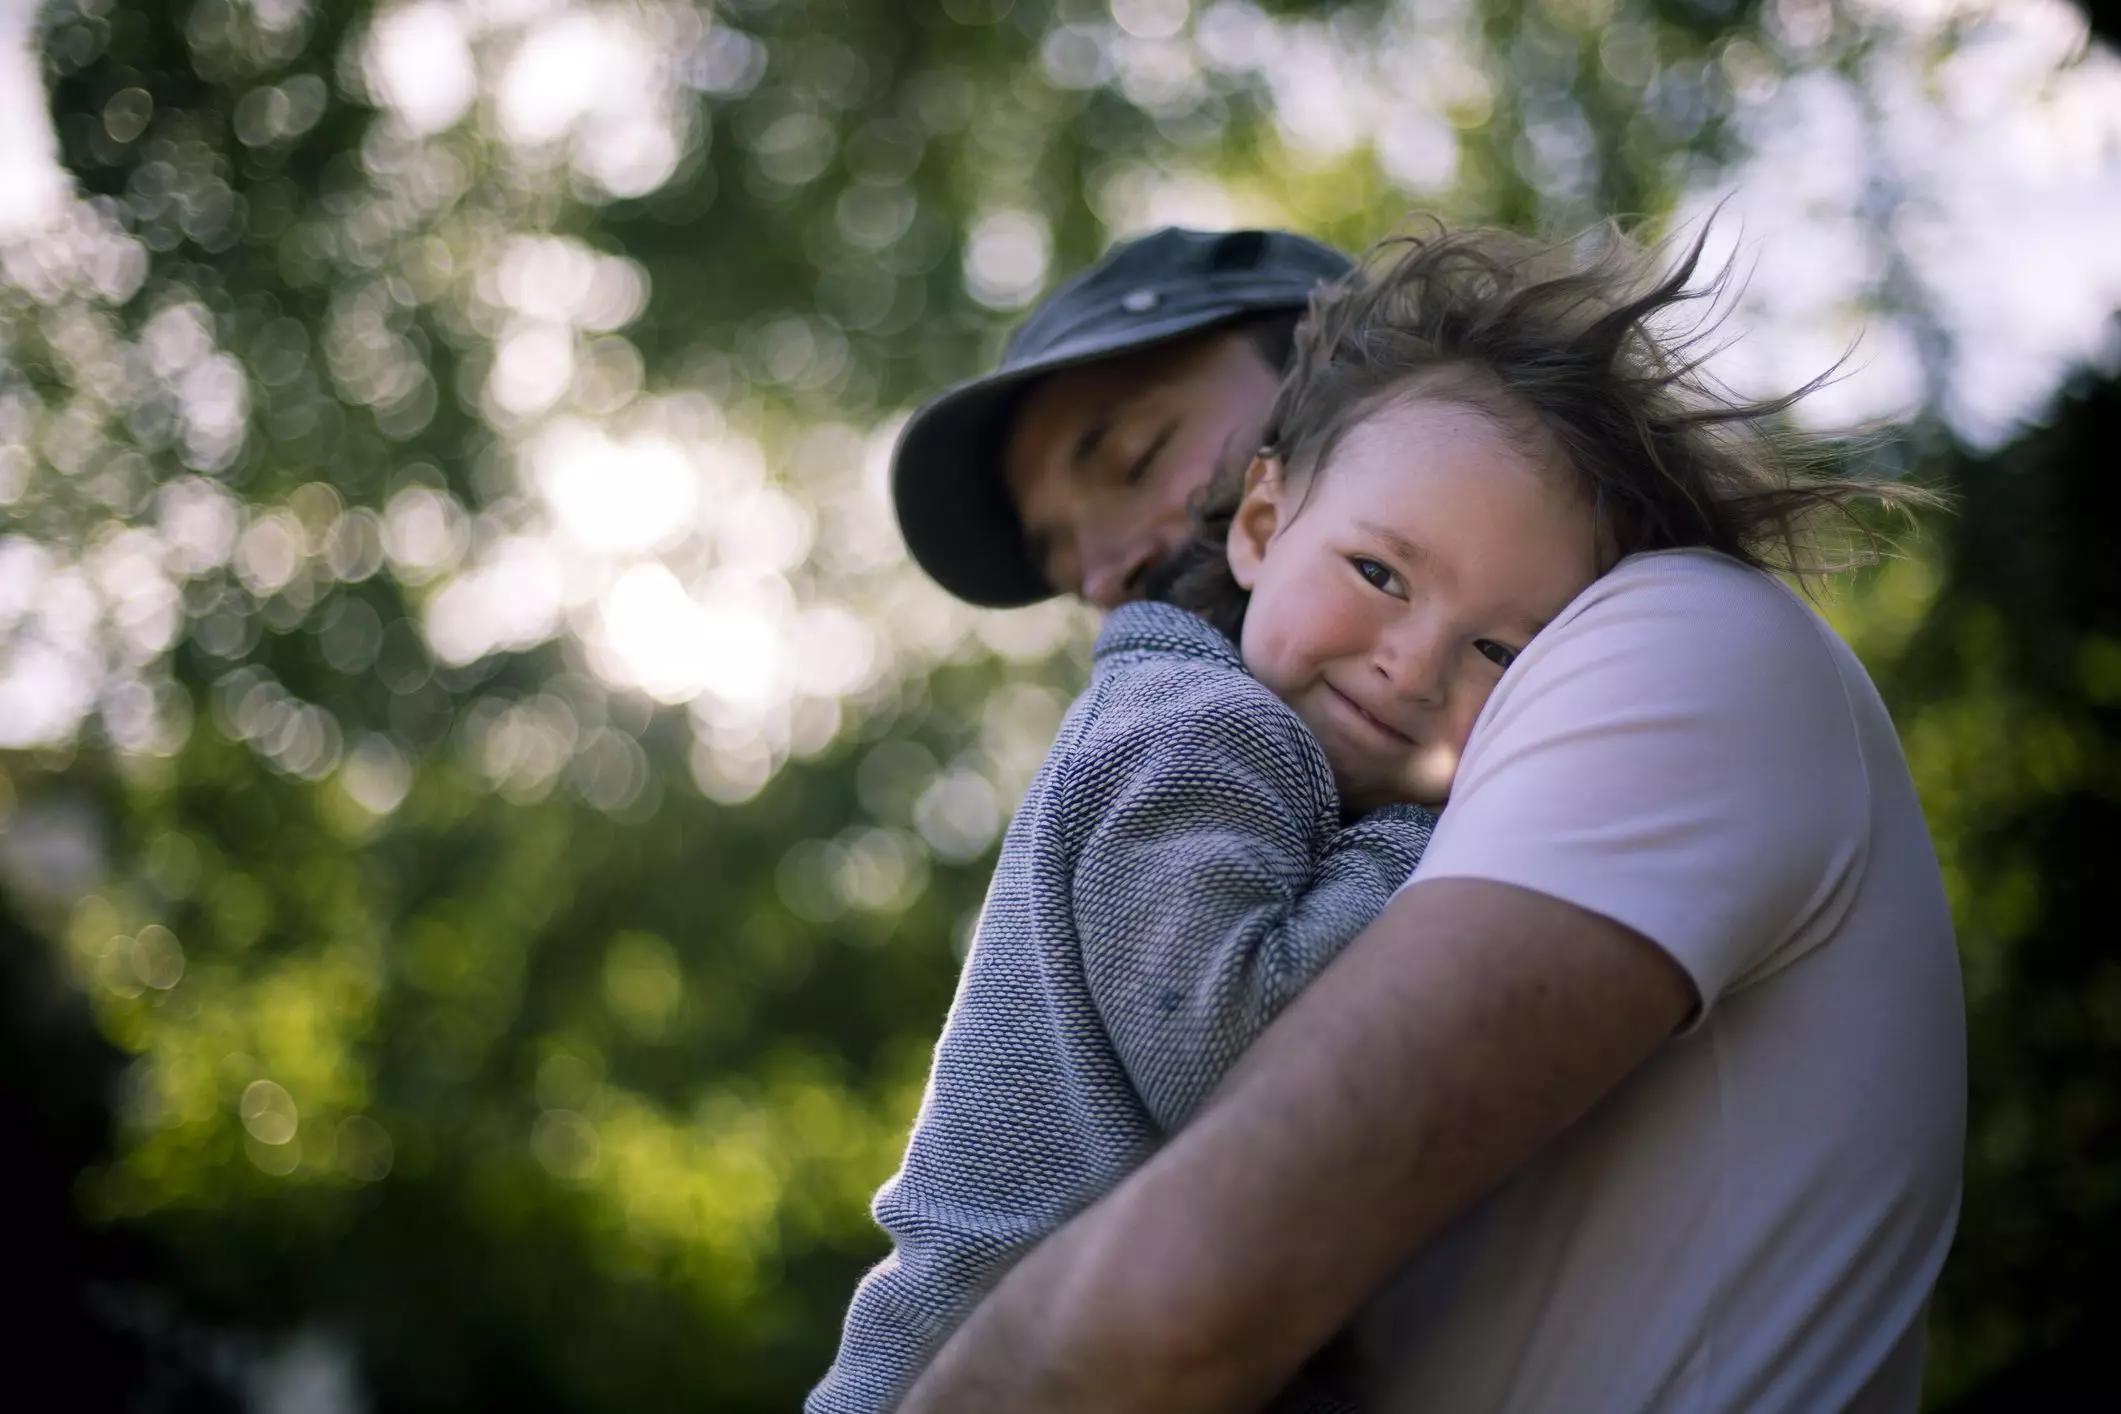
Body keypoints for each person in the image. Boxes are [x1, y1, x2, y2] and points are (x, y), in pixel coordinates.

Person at [880, 222, 1966, 1414]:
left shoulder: (1665, 637)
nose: (1100, 575)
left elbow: (1190, 1273)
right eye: (1062, 554)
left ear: (1309, 395)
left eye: (1135, 455)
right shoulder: (1198, 738)